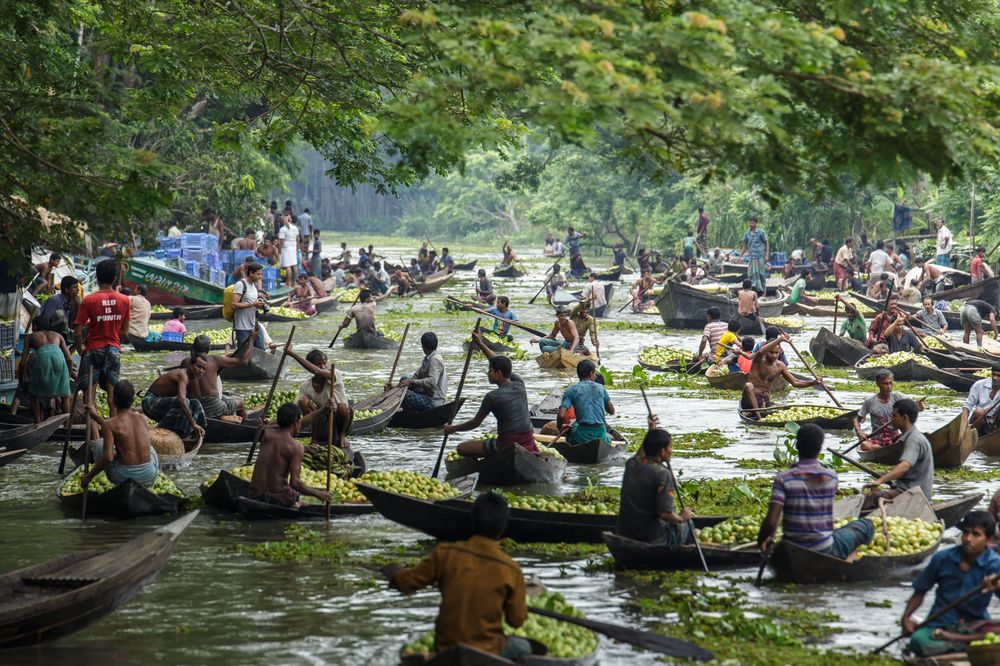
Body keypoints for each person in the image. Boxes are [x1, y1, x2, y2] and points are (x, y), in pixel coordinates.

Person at [384, 493, 530, 660]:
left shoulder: (446, 553)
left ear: (472, 520)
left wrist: (394, 572)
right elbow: (516, 621)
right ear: (503, 527)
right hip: (488, 651)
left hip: (447, 647)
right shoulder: (511, 569)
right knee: (523, 646)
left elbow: (405, 583)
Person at [758, 424, 875, 559]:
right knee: (866, 525)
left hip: (791, 548)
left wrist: (762, 541)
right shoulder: (831, 477)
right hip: (823, 547)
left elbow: (771, 522)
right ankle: (849, 559)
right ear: (819, 449)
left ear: (797, 446)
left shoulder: (784, 479)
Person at [898, 511, 1000, 657]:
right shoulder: (942, 559)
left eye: (976, 534)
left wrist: (997, 586)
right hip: (940, 623)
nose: (968, 539)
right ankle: (961, 643)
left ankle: (955, 640)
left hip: (975, 624)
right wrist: (906, 618)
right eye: (966, 532)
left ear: (989, 540)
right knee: (918, 640)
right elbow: (920, 591)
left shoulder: (995, 564)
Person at [446, 330, 539, 457]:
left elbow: (475, 423)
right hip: (527, 440)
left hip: (505, 444)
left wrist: (453, 429)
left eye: (490, 370)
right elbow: (495, 360)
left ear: (498, 373)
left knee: (461, 448)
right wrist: (479, 343)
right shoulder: (519, 384)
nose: (487, 373)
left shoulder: (492, 397)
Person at [616, 412, 692, 547]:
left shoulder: (632, 464)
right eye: (670, 447)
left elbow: (642, 452)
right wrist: (682, 517)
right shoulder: (662, 473)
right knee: (688, 525)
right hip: (650, 537)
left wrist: (651, 430)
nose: (671, 451)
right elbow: (665, 514)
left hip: (625, 531)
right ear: (662, 452)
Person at [73, 259, 130, 438]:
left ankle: (97, 439)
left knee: (89, 399)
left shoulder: (89, 300)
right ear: (114, 279)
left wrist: (81, 348)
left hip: (92, 350)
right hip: (113, 349)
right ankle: (113, 438)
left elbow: (77, 331)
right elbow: (125, 332)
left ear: (96, 278)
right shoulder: (124, 300)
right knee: (113, 399)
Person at [249, 403, 332, 507]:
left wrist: (321, 411)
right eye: (299, 421)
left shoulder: (267, 433)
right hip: (277, 499)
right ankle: (297, 504)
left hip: (254, 494)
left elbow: (280, 424)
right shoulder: (296, 447)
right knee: (296, 495)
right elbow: (295, 483)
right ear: (295, 422)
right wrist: (318, 494)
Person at [82, 380, 160, 489]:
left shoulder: (109, 425)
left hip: (124, 477)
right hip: (149, 476)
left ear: (113, 401)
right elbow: (121, 429)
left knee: (99, 444)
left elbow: (108, 457)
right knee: (151, 449)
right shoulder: (142, 419)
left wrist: (89, 476)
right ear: (132, 401)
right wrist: (96, 417)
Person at [863, 399, 934, 503]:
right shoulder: (908, 437)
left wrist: (879, 481)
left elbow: (905, 465)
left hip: (913, 495)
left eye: (894, 416)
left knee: (871, 498)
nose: (891, 420)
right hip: (907, 490)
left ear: (905, 418)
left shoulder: (914, 439)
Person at [742, 334, 823, 415]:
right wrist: (780, 339)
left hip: (764, 401)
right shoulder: (758, 359)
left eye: (776, 353)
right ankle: (757, 415)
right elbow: (760, 351)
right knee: (749, 385)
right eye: (771, 352)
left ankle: (757, 412)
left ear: (779, 352)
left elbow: (795, 382)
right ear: (767, 351)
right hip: (749, 400)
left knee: (786, 409)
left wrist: (813, 382)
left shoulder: (780, 366)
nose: (774, 355)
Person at [183, 332, 256, 421]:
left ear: (193, 348)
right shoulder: (214, 359)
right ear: (209, 349)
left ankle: (222, 417)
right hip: (214, 407)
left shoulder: (185, 362)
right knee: (240, 402)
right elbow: (244, 361)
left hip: (194, 407)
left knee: (224, 399)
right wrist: (251, 339)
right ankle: (245, 425)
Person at [289, 348, 352, 448]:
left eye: (324, 363)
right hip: (322, 415)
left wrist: (291, 353)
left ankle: (342, 436)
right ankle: (314, 436)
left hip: (341, 417)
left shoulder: (335, 374)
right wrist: (273, 423)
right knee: (303, 401)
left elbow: (318, 372)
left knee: (342, 407)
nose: (323, 367)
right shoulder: (306, 385)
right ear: (309, 366)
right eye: (318, 364)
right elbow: (294, 410)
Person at [21, 316, 74, 423]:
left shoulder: (31, 336)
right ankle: (67, 425)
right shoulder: (57, 335)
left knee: (33, 395)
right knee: (64, 396)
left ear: (35, 327)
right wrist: (67, 376)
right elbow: (69, 359)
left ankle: (38, 423)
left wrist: (23, 379)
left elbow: (23, 362)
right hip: (59, 359)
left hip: (43, 360)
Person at [141, 355, 208, 438]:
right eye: (198, 366)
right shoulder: (183, 375)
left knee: (195, 403)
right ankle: (158, 430)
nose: (200, 370)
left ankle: (200, 430)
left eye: (203, 368)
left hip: (159, 403)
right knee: (185, 402)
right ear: (190, 365)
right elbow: (182, 400)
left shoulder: (189, 378)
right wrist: (193, 424)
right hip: (150, 402)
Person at [855, 370, 916, 451]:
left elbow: (913, 408)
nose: (889, 386)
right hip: (877, 439)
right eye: (885, 383)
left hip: (895, 437)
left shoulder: (898, 397)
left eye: (891, 383)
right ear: (878, 384)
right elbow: (857, 419)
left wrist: (919, 407)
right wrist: (859, 432)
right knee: (864, 446)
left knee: (909, 438)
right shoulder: (870, 401)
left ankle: (890, 447)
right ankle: (882, 449)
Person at [557, 359, 614, 445]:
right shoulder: (601, 388)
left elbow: (561, 415)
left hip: (581, 437)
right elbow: (611, 411)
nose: (595, 376)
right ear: (591, 374)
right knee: (608, 438)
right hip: (601, 435)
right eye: (594, 373)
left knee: (571, 429)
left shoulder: (570, 390)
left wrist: (560, 428)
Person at [389, 332, 448, 412]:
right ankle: (404, 405)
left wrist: (411, 382)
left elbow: (432, 382)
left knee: (406, 394)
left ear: (423, 346)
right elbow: (416, 376)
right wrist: (396, 386)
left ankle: (405, 409)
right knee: (404, 378)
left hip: (433, 401)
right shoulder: (428, 359)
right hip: (425, 393)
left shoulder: (435, 359)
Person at [232, 263, 268, 351]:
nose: (260, 277)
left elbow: (252, 304)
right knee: (244, 354)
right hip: (242, 327)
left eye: (261, 274)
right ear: (251, 273)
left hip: (254, 326)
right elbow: (233, 304)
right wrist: (252, 304)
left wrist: (259, 306)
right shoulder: (240, 285)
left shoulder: (253, 286)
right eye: (258, 274)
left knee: (261, 351)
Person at [962, 365, 1000, 436]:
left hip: (996, 421)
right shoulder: (979, 385)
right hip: (979, 420)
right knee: (979, 411)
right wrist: (963, 423)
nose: (995, 378)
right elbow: (968, 405)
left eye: (998, 376)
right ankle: (977, 439)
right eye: (993, 375)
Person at [39, 275, 80, 341]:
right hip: (50, 334)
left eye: (77, 287)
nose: (78, 290)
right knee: (60, 314)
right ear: (66, 289)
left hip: (64, 333)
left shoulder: (75, 302)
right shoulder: (54, 300)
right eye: (75, 287)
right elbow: (45, 321)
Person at [738, 216, 769, 293]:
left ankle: (764, 292)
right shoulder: (747, 233)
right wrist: (740, 256)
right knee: (750, 275)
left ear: (756, 223)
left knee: (761, 274)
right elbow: (745, 246)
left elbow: (767, 242)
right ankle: (752, 292)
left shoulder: (760, 232)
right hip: (752, 257)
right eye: (750, 222)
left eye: (753, 223)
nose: (751, 224)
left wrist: (766, 255)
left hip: (760, 256)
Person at [277, 213, 300, 287]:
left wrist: (279, 251)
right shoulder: (295, 228)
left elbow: (281, 242)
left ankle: (288, 282)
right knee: (294, 265)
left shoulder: (283, 229)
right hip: (294, 247)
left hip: (286, 248)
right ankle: (294, 282)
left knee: (287, 266)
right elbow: (297, 239)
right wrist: (297, 248)